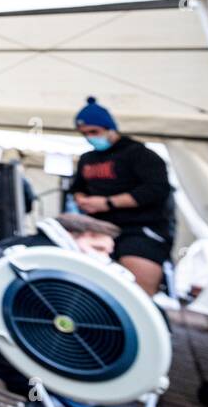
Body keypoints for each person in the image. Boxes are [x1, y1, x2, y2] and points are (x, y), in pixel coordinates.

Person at [0, 213, 121, 407]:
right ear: (76, 235)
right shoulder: (63, 268)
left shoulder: (17, 245)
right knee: (95, 372)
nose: (105, 259)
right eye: (98, 249)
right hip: (24, 359)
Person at [70, 96, 175, 294]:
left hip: (139, 230)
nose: (90, 137)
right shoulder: (87, 158)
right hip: (97, 228)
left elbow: (156, 189)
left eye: (94, 131)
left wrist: (108, 203)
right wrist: (81, 199)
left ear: (110, 128)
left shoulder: (140, 154)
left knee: (136, 291)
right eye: (85, 133)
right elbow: (77, 187)